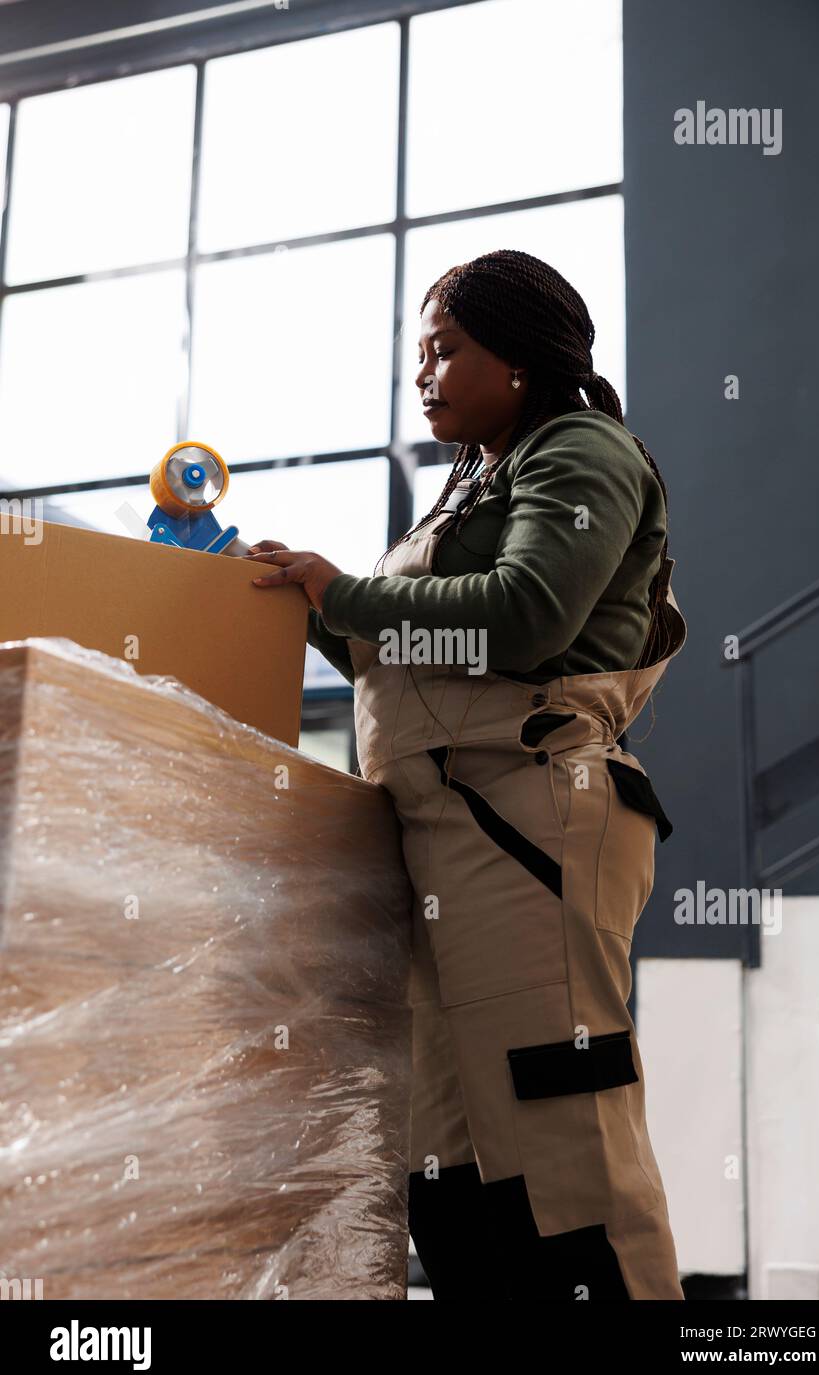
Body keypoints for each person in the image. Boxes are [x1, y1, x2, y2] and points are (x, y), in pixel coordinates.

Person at [248, 248, 688, 1301]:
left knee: (552, 1132)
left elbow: (529, 616)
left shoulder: (578, 448)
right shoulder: (468, 482)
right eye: (419, 355)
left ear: (520, 360)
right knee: (442, 1149)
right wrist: (302, 608)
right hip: (441, 830)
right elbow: (399, 653)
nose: (423, 376)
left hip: (526, 817)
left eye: (445, 350)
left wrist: (345, 593)